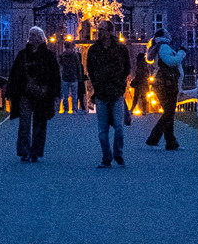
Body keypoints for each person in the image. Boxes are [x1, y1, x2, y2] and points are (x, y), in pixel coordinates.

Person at [6, 27, 60, 162]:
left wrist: (55, 93)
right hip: (25, 93)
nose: (32, 37)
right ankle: (24, 151)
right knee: (24, 123)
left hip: (43, 94)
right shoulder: (22, 54)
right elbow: (15, 74)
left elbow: (55, 76)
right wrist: (11, 92)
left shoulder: (49, 55)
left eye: (35, 35)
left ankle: (35, 151)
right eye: (30, 34)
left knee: (40, 123)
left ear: (41, 38)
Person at [86, 21, 131, 167]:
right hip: (101, 92)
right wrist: (97, 84)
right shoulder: (93, 50)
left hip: (116, 92)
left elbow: (127, 69)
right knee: (102, 129)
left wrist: (120, 83)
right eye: (98, 29)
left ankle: (118, 153)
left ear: (110, 32)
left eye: (103, 30)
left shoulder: (121, 49)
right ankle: (106, 157)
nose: (99, 32)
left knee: (119, 126)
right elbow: (90, 69)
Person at [145, 29, 185, 150]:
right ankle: (153, 139)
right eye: (168, 33)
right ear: (163, 36)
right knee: (169, 113)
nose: (170, 34)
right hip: (167, 84)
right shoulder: (164, 47)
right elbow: (171, 62)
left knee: (169, 112)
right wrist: (181, 53)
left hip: (163, 84)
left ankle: (171, 141)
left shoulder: (159, 46)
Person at [58, 43, 83, 114]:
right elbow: (78, 66)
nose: (71, 49)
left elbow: (78, 66)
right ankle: (68, 109)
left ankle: (72, 109)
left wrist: (79, 76)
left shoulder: (70, 55)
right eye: (70, 48)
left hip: (70, 77)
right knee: (68, 94)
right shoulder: (68, 56)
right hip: (68, 76)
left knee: (71, 94)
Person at [127, 51, 150, 124]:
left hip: (139, 84)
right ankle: (144, 110)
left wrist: (134, 82)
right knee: (143, 97)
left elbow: (139, 76)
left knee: (136, 97)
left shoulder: (140, 65)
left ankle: (132, 110)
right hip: (144, 84)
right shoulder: (145, 65)